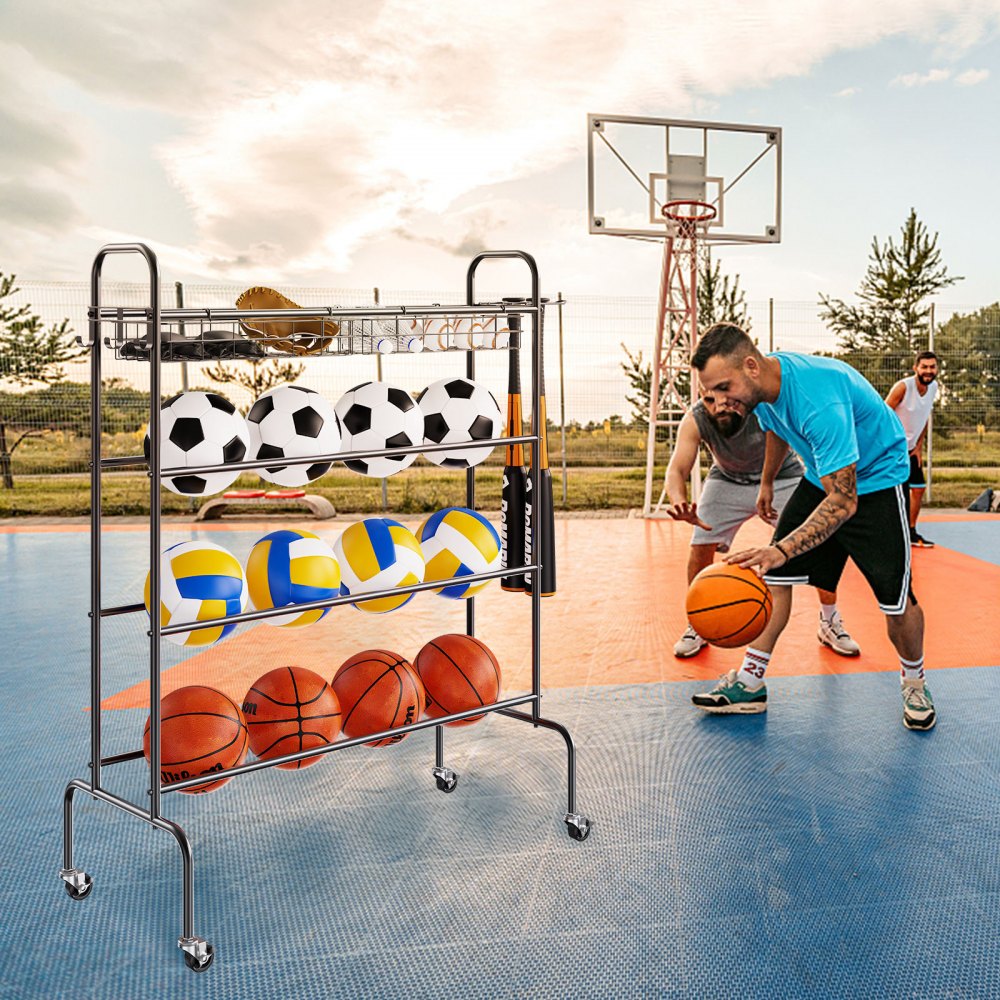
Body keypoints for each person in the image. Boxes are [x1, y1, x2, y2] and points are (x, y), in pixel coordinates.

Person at [688, 324, 935, 731]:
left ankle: (915, 682)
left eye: (723, 388)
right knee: (774, 578)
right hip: (824, 476)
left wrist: (782, 547)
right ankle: (750, 682)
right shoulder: (760, 391)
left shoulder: (818, 400)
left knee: (896, 602)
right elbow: (776, 429)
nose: (719, 403)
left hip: (877, 479)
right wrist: (767, 482)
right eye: (710, 394)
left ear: (750, 366)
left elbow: (844, 501)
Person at [665, 391, 860, 658]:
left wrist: (766, 483)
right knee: (700, 545)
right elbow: (676, 468)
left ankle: (829, 621)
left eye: (722, 396)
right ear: (701, 394)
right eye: (709, 400)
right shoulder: (696, 418)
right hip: (727, 480)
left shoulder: (760, 406)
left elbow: (780, 437)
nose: (719, 405)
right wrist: (678, 501)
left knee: (820, 543)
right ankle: (697, 622)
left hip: (782, 477)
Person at [885, 351, 939, 548]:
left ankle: (911, 531)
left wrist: (918, 447)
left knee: (918, 489)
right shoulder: (903, 387)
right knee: (893, 493)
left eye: (932, 367)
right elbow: (883, 415)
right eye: (924, 367)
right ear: (915, 368)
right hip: (893, 448)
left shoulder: (933, 387)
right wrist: (889, 445)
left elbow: (924, 417)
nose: (928, 371)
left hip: (910, 449)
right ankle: (889, 534)